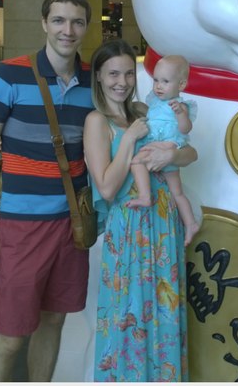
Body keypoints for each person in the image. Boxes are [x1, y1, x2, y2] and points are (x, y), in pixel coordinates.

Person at [0, 0, 94, 382]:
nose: (67, 30)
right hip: (22, 227)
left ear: (86, 27)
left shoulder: (94, 81)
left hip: (72, 226)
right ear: (44, 23)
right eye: (58, 20)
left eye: (76, 22)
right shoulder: (9, 76)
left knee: (53, 321)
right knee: (9, 338)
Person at [83, 38, 197, 382]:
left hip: (163, 221)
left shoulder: (145, 109)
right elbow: (106, 187)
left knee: (163, 307)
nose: (122, 82)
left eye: (129, 73)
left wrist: (172, 155)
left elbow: (190, 151)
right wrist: (130, 138)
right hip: (130, 225)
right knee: (129, 310)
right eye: (113, 74)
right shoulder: (96, 121)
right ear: (98, 76)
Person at [128, 54, 200, 246]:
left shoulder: (180, 105)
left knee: (137, 161)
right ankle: (191, 223)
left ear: (181, 84)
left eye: (165, 81)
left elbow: (185, 129)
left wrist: (180, 114)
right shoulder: (154, 102)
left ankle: (145, 196)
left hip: (167, 146)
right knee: (176, 192)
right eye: (156, 80)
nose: (159, 86)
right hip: (157, 146)